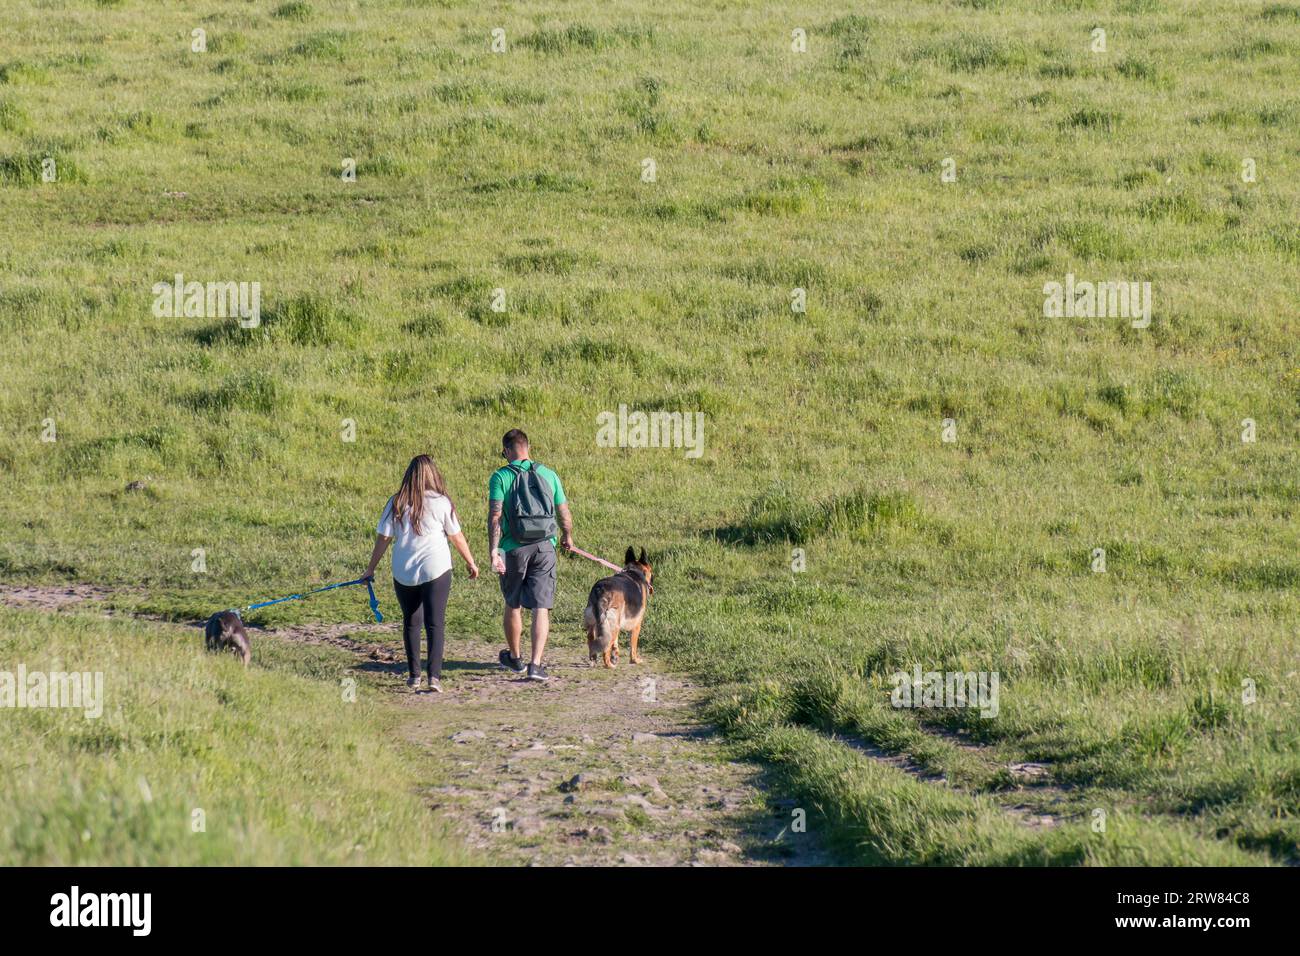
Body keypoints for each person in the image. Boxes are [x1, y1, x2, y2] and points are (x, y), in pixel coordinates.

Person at [364, 455, 479, 693]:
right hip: (436, 567)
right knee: (435, 623)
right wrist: (470, 562)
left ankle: (414, 675)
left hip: (403, 569)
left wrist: (370, 568)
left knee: (411, 621)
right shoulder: (441, 502)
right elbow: (455, 536)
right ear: (433, 474)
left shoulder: (396, 502)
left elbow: (384, 538)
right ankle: (434, 678)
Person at [487, 429, 574, 682]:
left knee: (513, 602)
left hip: (512, 547)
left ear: (506, 451)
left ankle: (515, 659)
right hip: (545, 546)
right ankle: (536, 665)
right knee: (541, 606)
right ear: (528, 447)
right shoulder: (549, 474)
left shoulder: (500, 476)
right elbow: (563, 512)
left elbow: (495, 516)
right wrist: (567, 537)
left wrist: (494, 550)